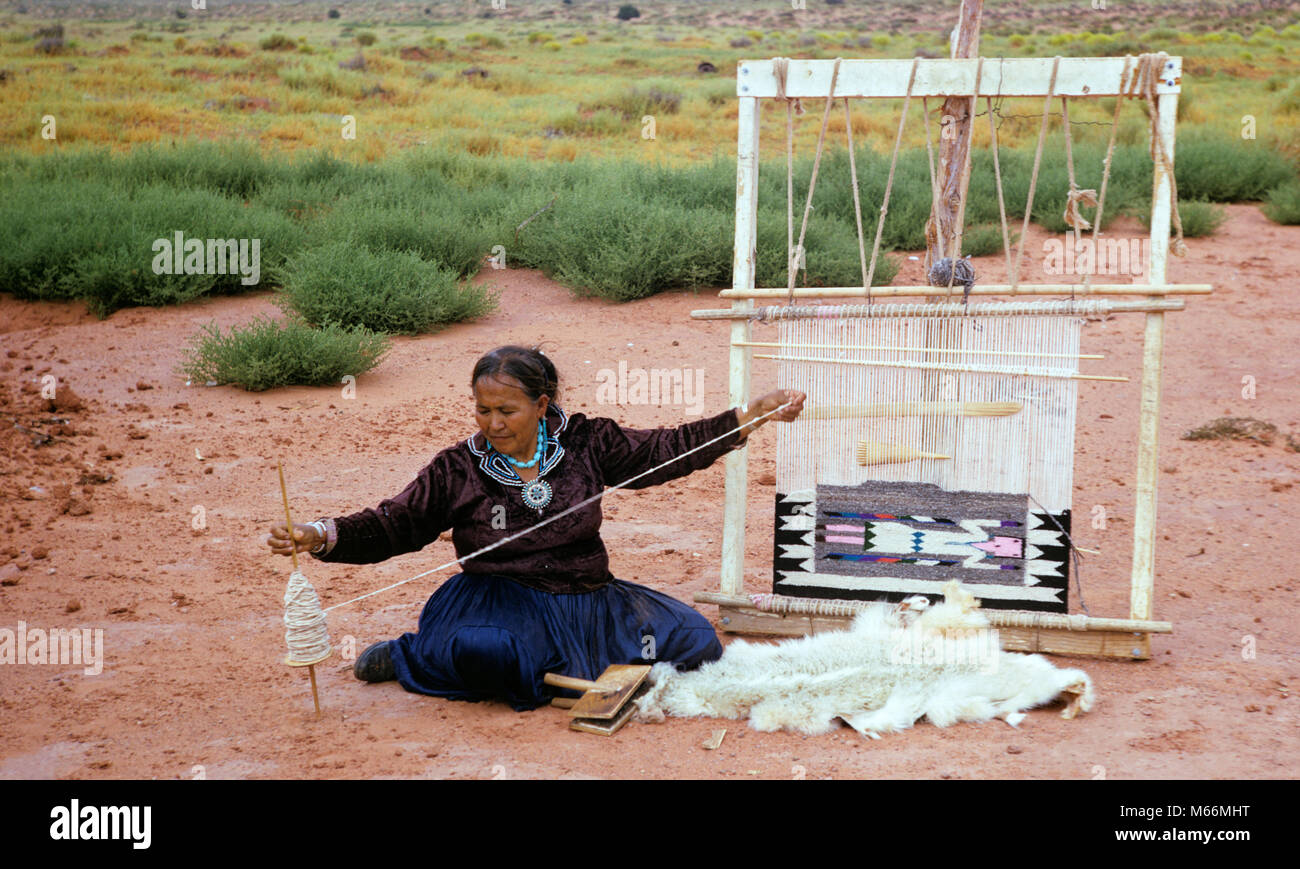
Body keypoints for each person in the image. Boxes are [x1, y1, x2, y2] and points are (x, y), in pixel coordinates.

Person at [266, 345, 805, 711]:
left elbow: (664, 451)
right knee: (495, 653)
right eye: (481, 410)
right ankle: (413, 652)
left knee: (694, 641)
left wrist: (744, 418)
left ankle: (555, 667)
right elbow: (397, 524)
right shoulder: (459, 467)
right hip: (495, 601)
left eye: (506, 410)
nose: (492, 423)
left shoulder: (589, 442)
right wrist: (321, 533)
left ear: (542, 405)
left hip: (587, 599)